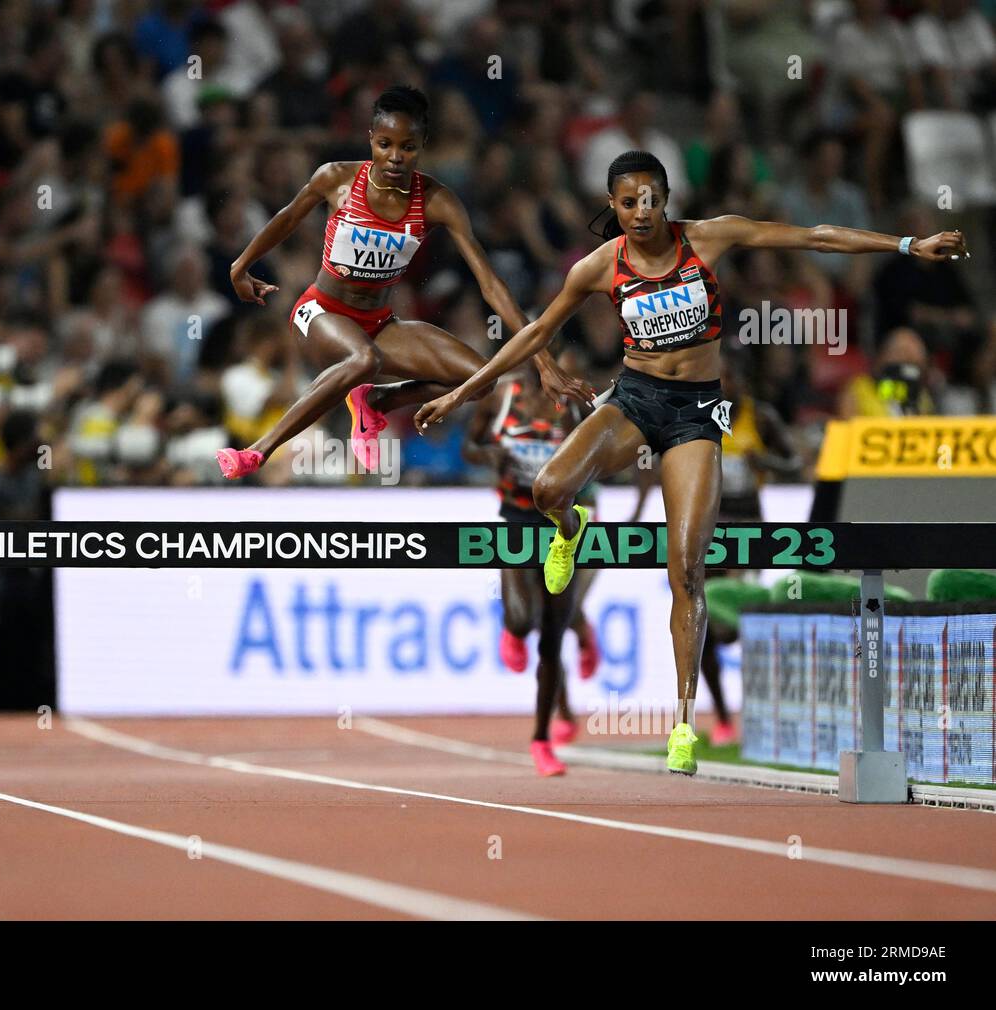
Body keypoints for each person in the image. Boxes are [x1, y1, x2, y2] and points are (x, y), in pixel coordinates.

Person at [414, 149, 966, 776]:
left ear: (668, 199)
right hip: (633, 398)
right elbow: (535, 334)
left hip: (698, 412)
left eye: (651, 199)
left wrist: (905, 244)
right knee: (548, 489)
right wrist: (463, 392)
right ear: (613, 206)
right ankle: (571, 534)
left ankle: (683, 726)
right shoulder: (599, 267)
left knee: (687, 570)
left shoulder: (708, 239)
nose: (641, 212)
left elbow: (812, 236)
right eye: (628, 202)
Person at [215, 85, 584, 480]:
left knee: (480, 380)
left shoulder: (436, 201)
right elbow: (287, 219)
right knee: (365, 359)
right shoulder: (337, 178)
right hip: (320, 312)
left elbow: (491, 285)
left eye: (407, 147)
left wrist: (542, 362)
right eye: (385, 144)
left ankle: (376, 401)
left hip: (379, 324)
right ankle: (257, 451)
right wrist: (241, 266)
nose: (394, 157)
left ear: (422, 144)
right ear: (371, 139)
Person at [462, 355, 597, 776]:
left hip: (562, 526)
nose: (563, 377)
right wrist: (490, 458)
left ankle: (542, 739)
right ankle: (514, 628)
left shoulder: (574, 406)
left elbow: (598, 460)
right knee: (523, 621)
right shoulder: (503, 396)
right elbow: (470, 446)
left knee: (552, 638)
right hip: (515, 522)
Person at [700, 350, 801, 746]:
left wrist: (766, 460)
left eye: (725, 379)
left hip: (748, 527)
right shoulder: (696, 415)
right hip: (708, 526)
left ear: (738, 382)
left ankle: (762, 711)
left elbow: (795, 462)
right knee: (704, 623)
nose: (719, 387)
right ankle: (723, 717)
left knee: (734, 627)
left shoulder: (760, 417)